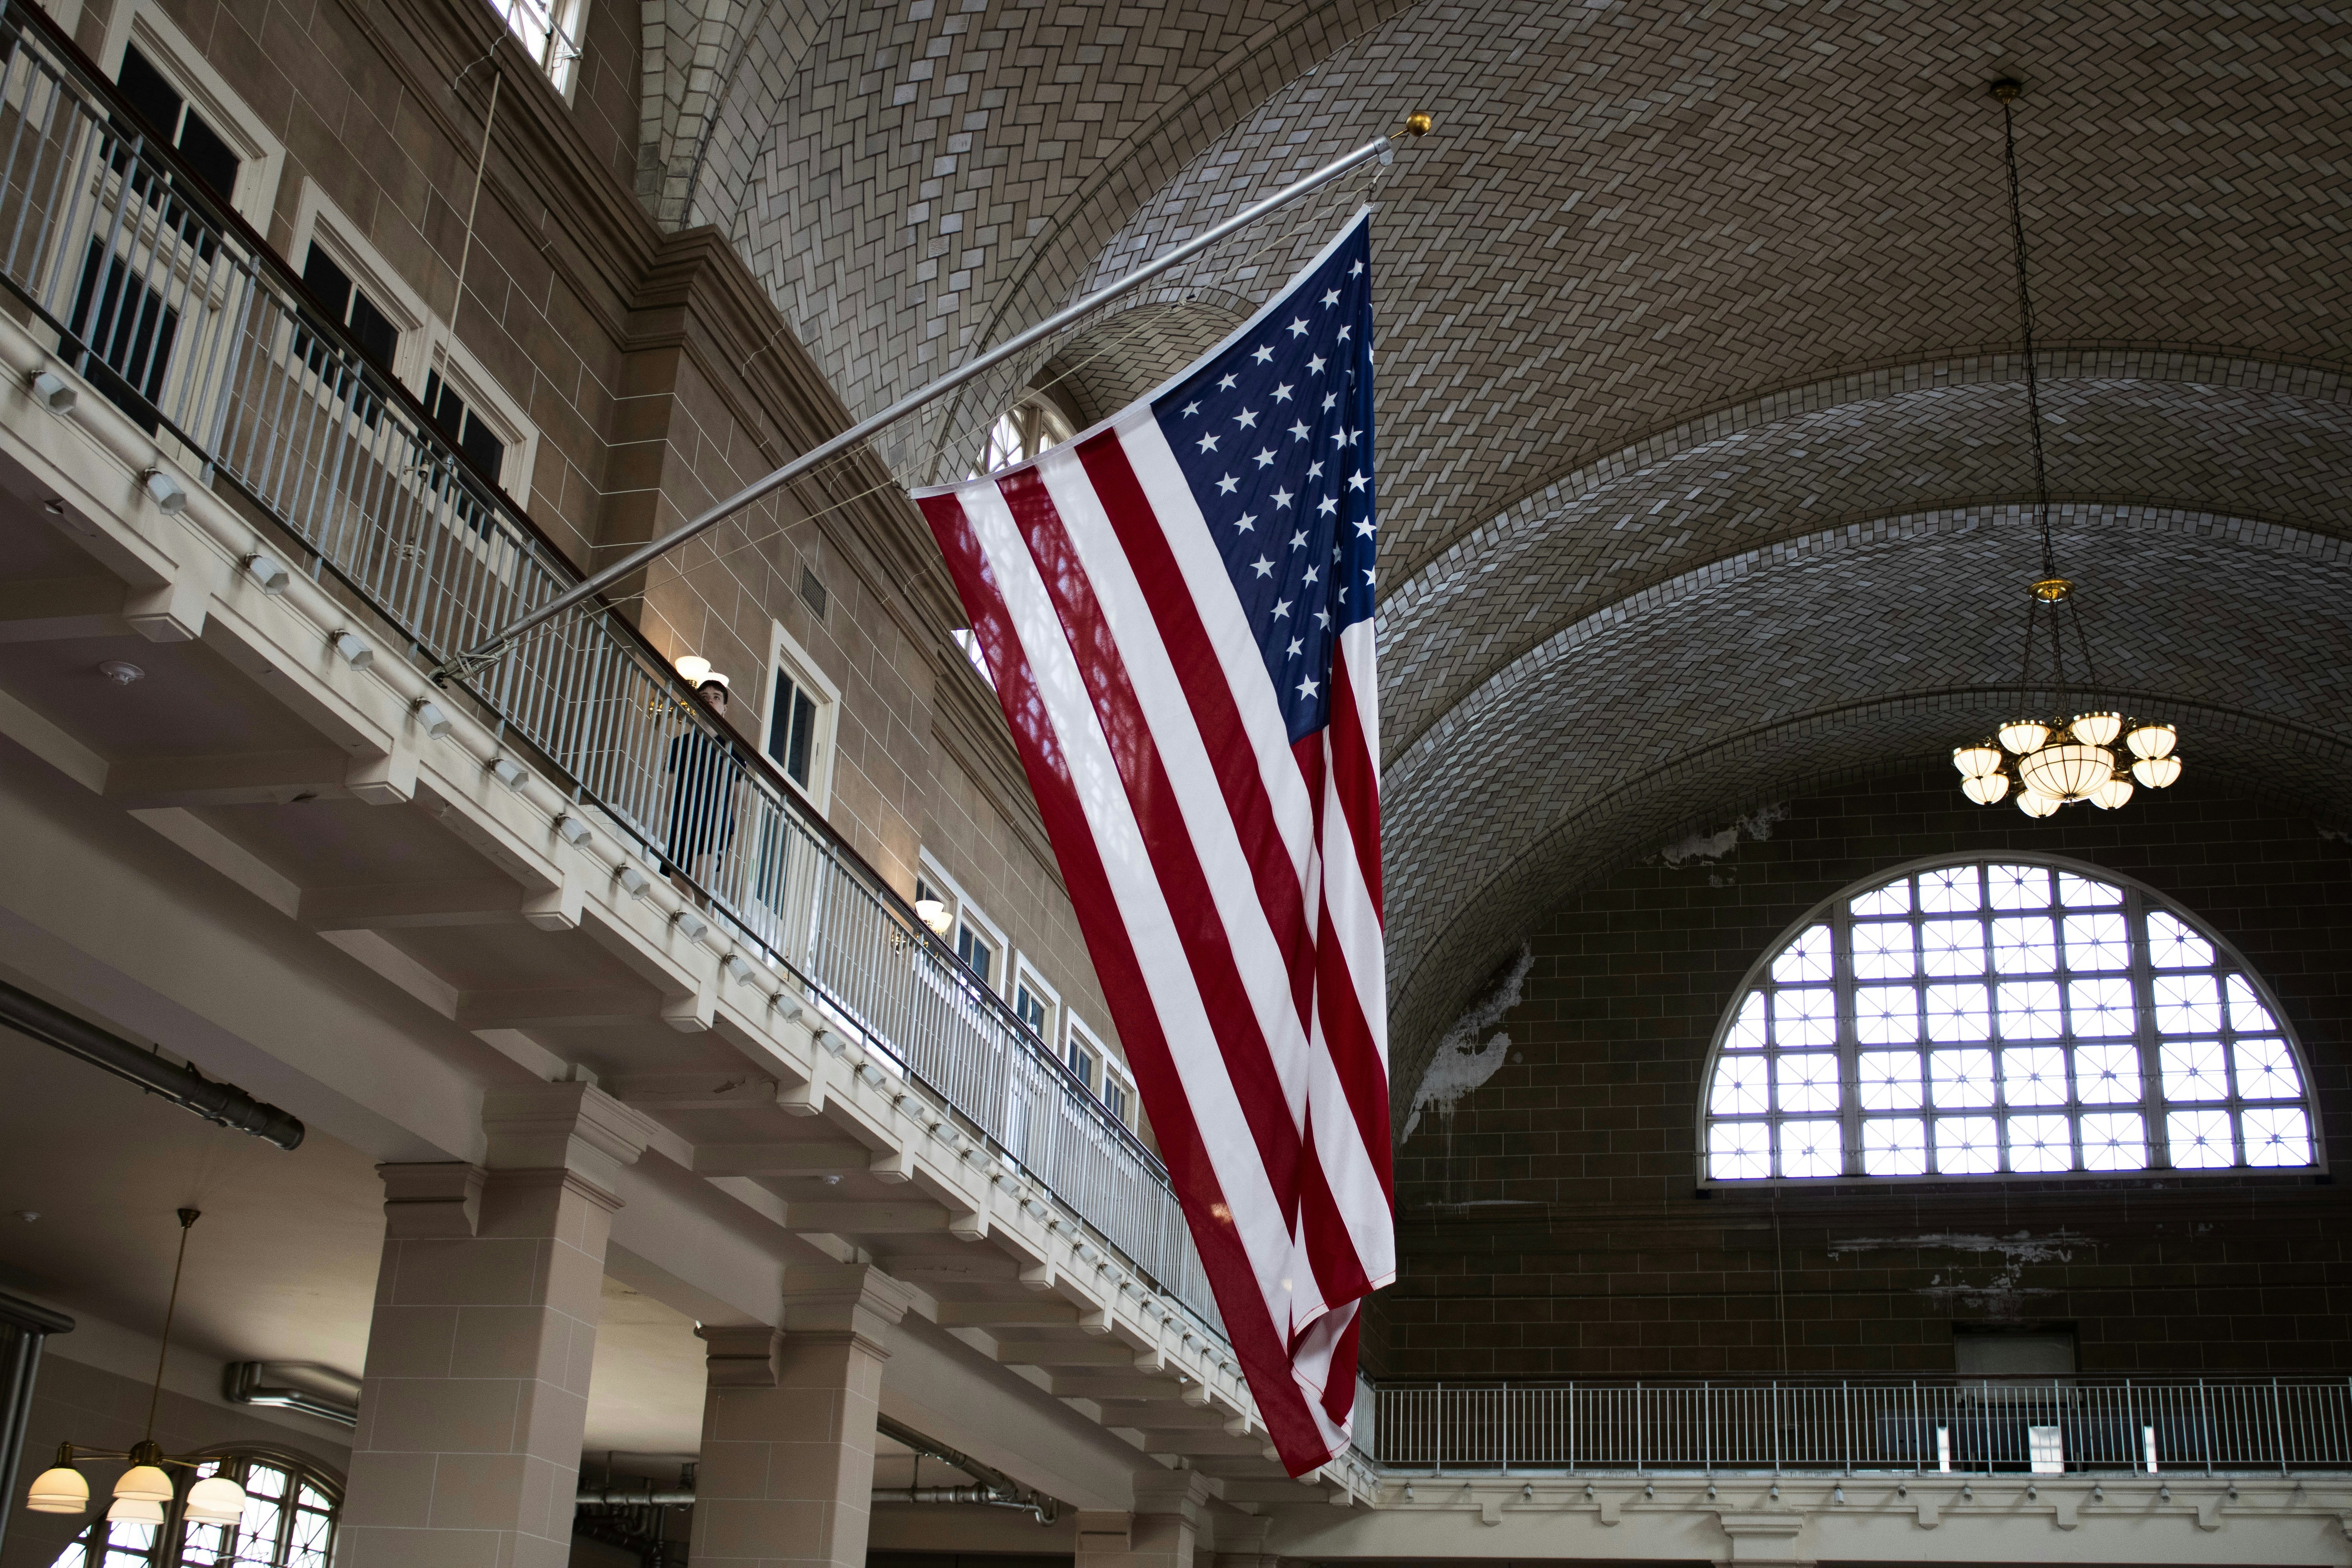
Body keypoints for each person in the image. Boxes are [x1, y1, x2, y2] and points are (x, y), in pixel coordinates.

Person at [664, 673, 739, 893]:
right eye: (705, 696)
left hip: (715, 826)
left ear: (724, 708)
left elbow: (737, 798)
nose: (710, 700)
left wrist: (729, 831)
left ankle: (709, 925)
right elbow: (670, 790)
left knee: (701, 878)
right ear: (696, 703)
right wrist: (675, 817)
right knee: (679, 886)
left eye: (717, 697)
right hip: (684, 823)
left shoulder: (732, 749)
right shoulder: (680, 745)